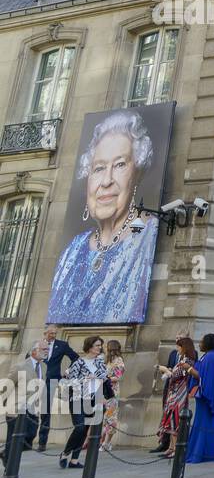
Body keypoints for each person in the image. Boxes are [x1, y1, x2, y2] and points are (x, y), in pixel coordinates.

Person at [47, 110, 160, 324]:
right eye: (98, 168)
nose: (106, 180)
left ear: (137, 173)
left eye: (119, 165)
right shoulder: (73, 249)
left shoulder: (148, 234)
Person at [59, 337, 107, 469]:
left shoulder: (100, 363)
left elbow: (104, 379)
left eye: (100, 345)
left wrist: (99, 387)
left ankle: (74, 460)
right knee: (79, 427)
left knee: (85, 430)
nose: (99, 347)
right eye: (97, 345)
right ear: (90, 347)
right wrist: (85, 379)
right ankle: (66, 452)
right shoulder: (78, 362)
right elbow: (70, 381)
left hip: (92, 399)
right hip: (77, 398)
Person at [2, 342, 45, 463]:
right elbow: (7, 385)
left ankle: (6, 453)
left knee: (29, 437)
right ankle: (9, 468)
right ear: (34, 351)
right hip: (16, 408)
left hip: (32, 409)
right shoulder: (20, 366)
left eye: (47, 349)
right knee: (13, 438)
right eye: (43, 349)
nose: (46, 351)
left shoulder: (44, 367)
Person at [155, 337, 198, 458]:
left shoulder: (188, 361)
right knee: (170, 418)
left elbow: (175, 375)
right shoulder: (182, 359)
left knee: (175, 419)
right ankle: (171, 447)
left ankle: (175, 448)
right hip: (173, 392)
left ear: (184, 347)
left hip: (179, 393)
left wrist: (164, 370)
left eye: (179, 346)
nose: (177, 349)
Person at [186, 334, 214, 463]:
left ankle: (201, 453)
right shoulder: (209, 356)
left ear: (208, 343)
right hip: (203, 398)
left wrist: (189, 368)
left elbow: (203, 377)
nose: (200, 344)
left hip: (206, 397)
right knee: (202, 424)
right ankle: (202, 452)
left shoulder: (211, 357)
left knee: (204, 424)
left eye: (202, 341)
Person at [38, 325, 75, 451]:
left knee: (45, 410)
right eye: (51, 333)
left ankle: (42, 442)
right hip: (36, 380)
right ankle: (27, 439)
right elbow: (29, 359)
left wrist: (67, 372)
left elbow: (76, 358)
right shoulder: (37, 345)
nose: (53, 335)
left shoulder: (62, 345)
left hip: (52, 380)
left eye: (55, 333)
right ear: (45, 333)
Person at [149, 331, 187, 453]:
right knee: (166, 413)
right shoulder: (173, 353)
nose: (177, 340)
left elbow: (181, 372)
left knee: (175, 417)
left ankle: (174, 446)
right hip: (169, 387)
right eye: (176, 338)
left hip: (179, 390)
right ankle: (165, 443)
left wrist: (167, 370)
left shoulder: (190, 355)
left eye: (180, 338)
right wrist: (164, 370)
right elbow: (171, 367)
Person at [95, 340, 126, 451]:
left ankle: (107, 442)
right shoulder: (106, 360)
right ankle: (101, 441)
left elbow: (117, 377)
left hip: (112, 392)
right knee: (102, 417)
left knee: (111, 416)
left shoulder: (119, 361)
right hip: (103, 391)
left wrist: (106, 378)